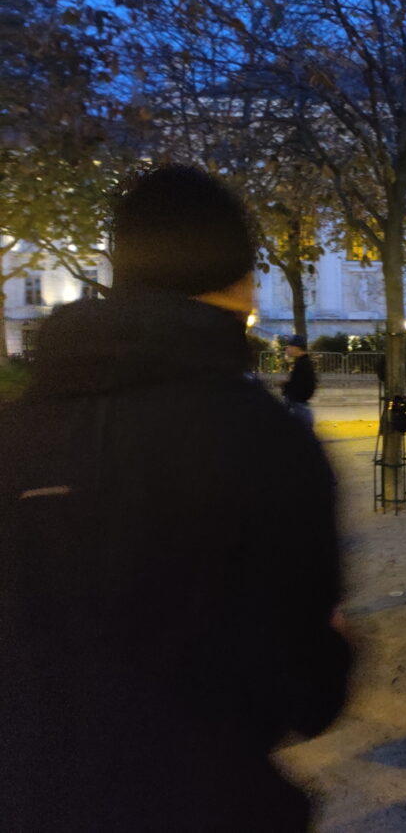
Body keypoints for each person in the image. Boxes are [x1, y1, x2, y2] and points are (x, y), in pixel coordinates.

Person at [0, 165, 352, 830]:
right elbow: (307, 690)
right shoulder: (264, 442)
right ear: (237, 281)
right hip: (202, 795)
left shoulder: (16, 434)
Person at [281, 334, 316, 427]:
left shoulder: (303, 364)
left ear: (297, 348)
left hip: (298, 405)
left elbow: (306, 386)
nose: (287, 349)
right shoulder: (301, 362)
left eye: (290, 346)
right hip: (297, 404)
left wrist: (289, 390)